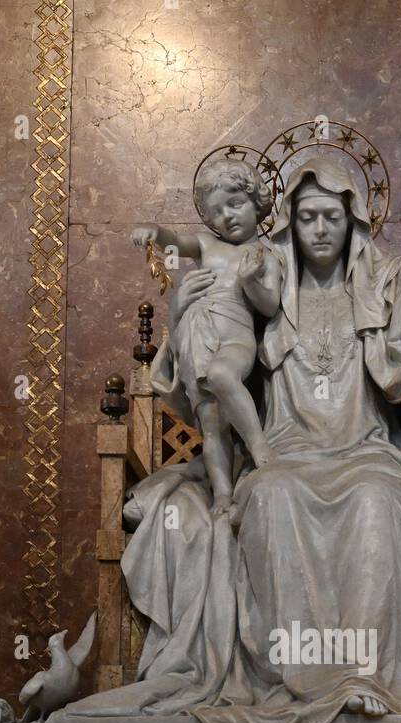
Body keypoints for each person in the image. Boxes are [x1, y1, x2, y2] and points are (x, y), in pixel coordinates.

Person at [67, 112, 401, 723]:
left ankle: (362, 675)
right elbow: (202, 375)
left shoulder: (383, 288)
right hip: (287, 457)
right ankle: (291, 678)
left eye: (332, 215)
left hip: (369, 458)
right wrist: (180, 308)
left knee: (375, 507)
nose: (320, 228)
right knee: (269, 499)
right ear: (289, 224)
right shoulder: (262, 289)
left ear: (354, 218)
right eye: (307, 218)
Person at [132, 159, 282, 513]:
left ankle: (260, 448)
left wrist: (249, 281)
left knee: (221, 374)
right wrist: (155, 231)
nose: (226, 216)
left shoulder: (266, 255)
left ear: (256, 202)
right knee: (212, 425)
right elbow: (174, 243)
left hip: (236, 335)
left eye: (235, 204)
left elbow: (271, 306)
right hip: (197, 338)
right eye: (215, 212)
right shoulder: (205, 245)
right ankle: (222, 494)